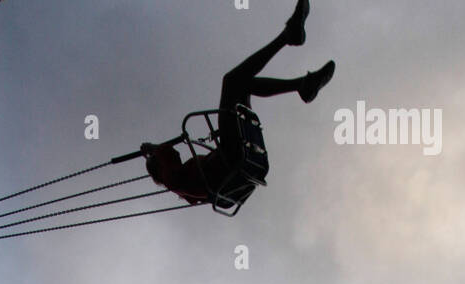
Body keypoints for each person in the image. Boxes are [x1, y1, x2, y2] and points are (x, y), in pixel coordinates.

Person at [141, 1, 335, 208]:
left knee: (243, 86)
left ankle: (302, 83)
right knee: (232, 81)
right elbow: (170, 154)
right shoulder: (173, 180)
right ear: (160, 169)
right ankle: (287, 39)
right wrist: (154, 149)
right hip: (232, 158)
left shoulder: (188, 185)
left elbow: (174, 156)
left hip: (238, 160)